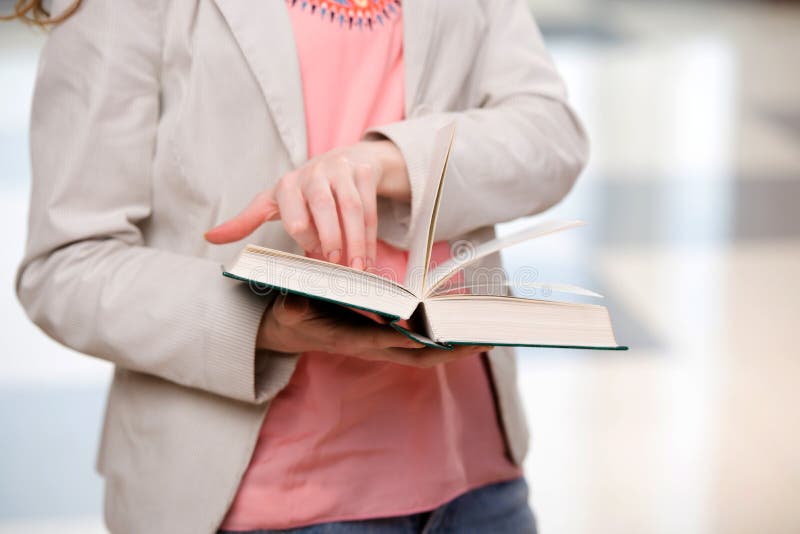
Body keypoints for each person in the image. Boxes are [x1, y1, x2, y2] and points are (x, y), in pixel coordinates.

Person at [9, 0, 588, 532]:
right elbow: (66, 266)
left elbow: (552, 135)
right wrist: (260, 321)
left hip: (480, 482)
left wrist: (389, 161)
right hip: (259, 503)